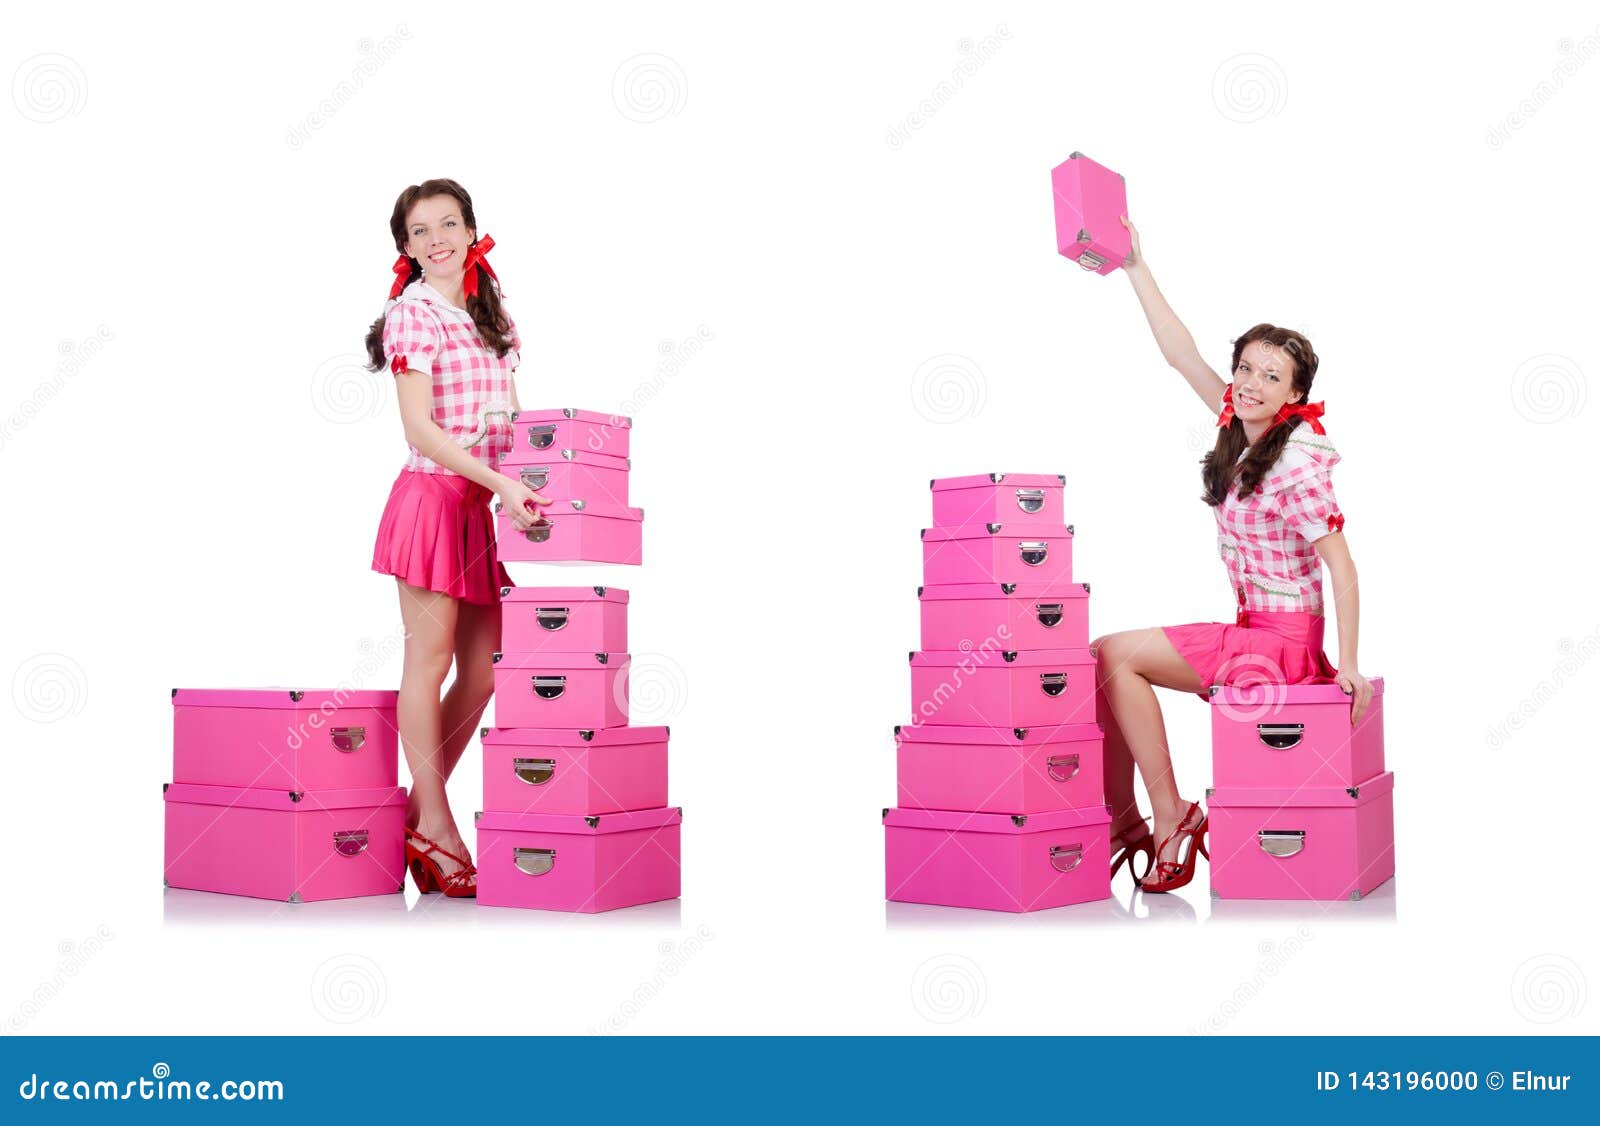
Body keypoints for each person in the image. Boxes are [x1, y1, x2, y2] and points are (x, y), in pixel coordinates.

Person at [1093, 214, 1373, 894]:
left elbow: (1341, 563)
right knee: (1105, 654)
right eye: (1245, 367)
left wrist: (1354, 665)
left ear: (1294, 396)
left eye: (1269, 376)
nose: (1248, 382)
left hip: (1280, 648)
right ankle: (1133, 818)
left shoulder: (1297, 462)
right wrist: (1134, 266)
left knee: (1115, 655)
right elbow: (1180, 353)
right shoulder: (1243, 433)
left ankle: (1165, 817)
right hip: (1254, 634)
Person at [363, 178, 549, 897]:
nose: (436, 237)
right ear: (406, 250)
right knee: (431, 659)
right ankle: (435, 822)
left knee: (486, 668)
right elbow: (419, 429)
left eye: (448, 223)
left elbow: (512, 415)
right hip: (434, 501)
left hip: (483, 505)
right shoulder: (413, 317)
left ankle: (410, 814)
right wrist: (499, 482)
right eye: (419, 231)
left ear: (472, 231)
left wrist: (528, 482)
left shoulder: (488, 315)